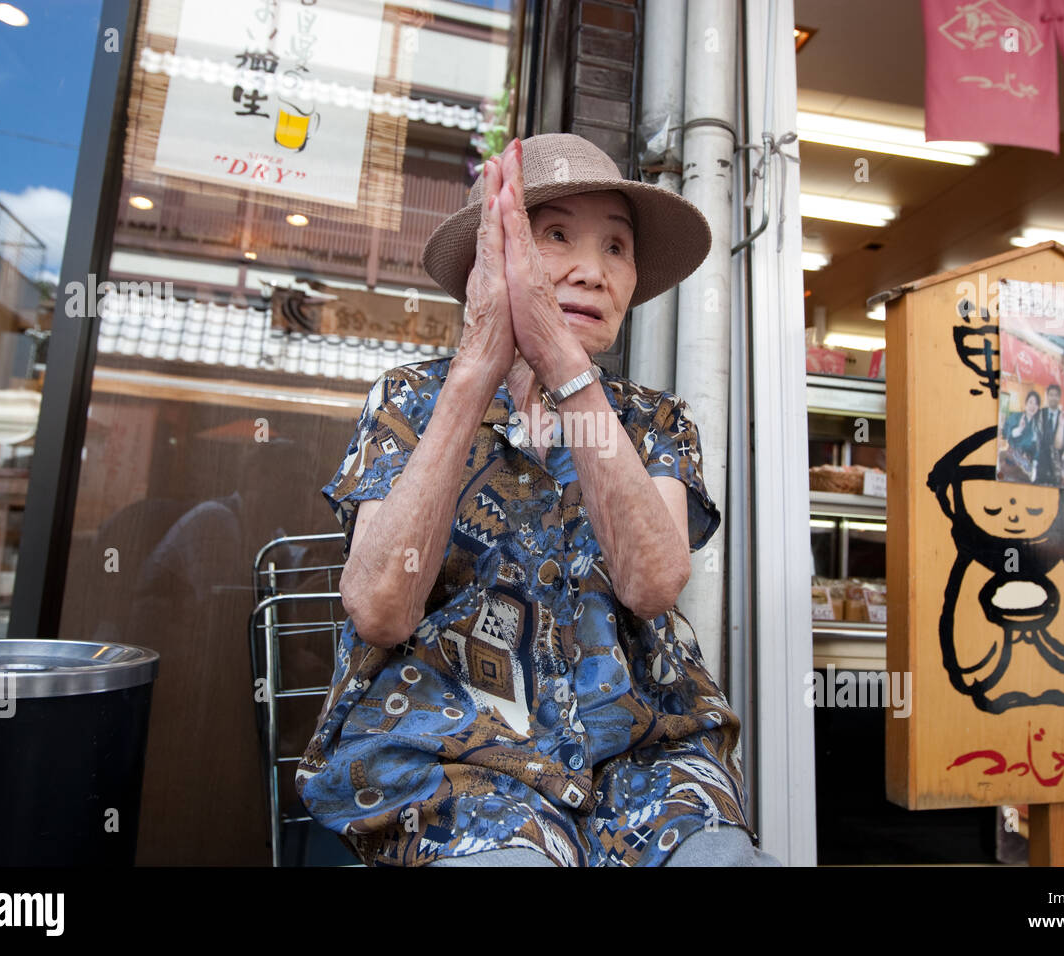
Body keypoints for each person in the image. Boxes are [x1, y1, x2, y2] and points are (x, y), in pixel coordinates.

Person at [296, 134, 774, 867]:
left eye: (617, 247)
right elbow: (380, 608)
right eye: (556, 236)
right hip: (450, 752)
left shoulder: (653, 421)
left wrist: (561, 362)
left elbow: (651, 584)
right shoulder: (411, 399)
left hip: (638, 751)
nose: (594, 270)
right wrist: (480, 363)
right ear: (493, 259)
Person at [1003, 389, 1043, 482]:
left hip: (1027, 466)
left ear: (1038, 408)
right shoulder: (1016, 416)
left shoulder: (1037, 425)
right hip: (1011, 462)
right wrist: (1019, 429)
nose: (1032, 406)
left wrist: (1035, 465)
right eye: (1030, 402)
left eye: (1036, 404)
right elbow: (1006, 433)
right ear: (1025, 404)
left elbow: (1037, 447)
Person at [1036, 383, 1064, 485]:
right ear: (1047, 396)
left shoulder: (1063, 416)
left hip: (1056, 462)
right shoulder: (1040, 413)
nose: (1053, 398)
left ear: (1059, 397)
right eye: (1051, 395)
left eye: (1056, 395)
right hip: (1041, 461)